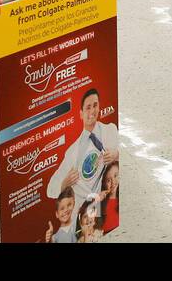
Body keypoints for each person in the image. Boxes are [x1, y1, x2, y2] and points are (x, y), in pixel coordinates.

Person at [45, 88, 120, 236]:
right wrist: (64, 183)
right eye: (88, 107)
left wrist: (117, 154)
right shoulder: (72, 151)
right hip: (85, 218)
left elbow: (122, 153)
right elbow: (50, 189)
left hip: (109, 205)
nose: (92, 111)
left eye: (95, 105)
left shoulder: (110, 130)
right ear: (80, 113)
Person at [98, 162, 119, 232]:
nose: (113, 182)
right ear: (103, 183)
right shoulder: (100, 203)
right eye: (108, 180)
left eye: (115, 176)